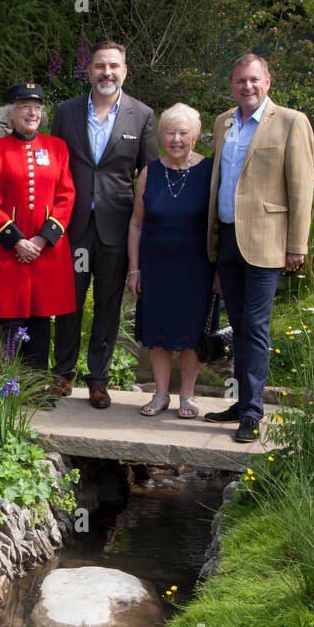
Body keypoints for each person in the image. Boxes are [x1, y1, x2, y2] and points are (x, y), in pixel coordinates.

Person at [204, 53, 314, 442]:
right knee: (238, 326)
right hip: (228, 239)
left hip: (267, 241)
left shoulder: (290, 122)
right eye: (239, 81)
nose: (247, 87)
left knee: (254, 326)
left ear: (268, 81)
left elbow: (301, 187)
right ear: (231, 85)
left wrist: (296, 243)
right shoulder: (223, 123)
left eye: (253, 80)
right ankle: (240, 401)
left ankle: (252, 412)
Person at [50, 40, 158, 408]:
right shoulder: (66, 112)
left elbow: (148, 174)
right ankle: (62, 375)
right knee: (68, 301)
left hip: (117, 227)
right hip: (74, 226)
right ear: (90, 70)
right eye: (99, 66)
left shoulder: (141, 115)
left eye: (113, 66)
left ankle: (98, 379)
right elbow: (52, 166)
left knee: (109, 304)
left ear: (124, 71)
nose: (106, 73)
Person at [0, 82, 75, 400]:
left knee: (42, 321)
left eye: (37, 107)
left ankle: (33, 389)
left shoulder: (57, 149)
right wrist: (17, 241)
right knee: (6, 320)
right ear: (10, 112)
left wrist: (43, 239)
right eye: (24, 106)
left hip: (45, 253)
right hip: (6, 253)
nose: (32, 112)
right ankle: (1, 386)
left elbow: (66, 196)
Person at [127, 104, 215, 418]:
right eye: (169, 132)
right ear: (161, 135)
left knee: (193, 332)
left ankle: (187, 397)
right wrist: (134, 269)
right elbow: (136, 224)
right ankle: (161, 393)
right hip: (156, 266)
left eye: (183, 133)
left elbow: (218, 225)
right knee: (158, 331)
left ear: (195, 135)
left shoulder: (210, 171)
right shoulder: (149, 172)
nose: (176, 139)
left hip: (197, 268)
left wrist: (218, 271)